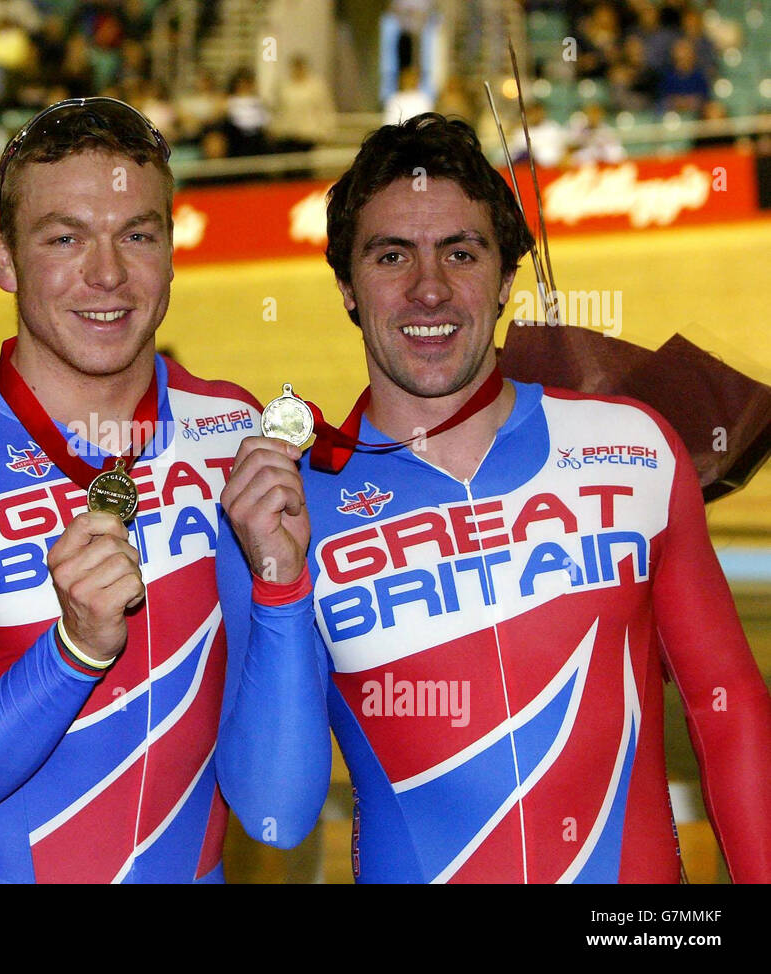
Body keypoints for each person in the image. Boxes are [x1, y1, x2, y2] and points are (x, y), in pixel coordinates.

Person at [219, 112, 771, 882]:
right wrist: (280, 586)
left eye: (461, 252)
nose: (429, 289)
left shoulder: (635, 444)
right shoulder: (285, 504)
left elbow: (731, 711)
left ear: (506, 277)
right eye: (390, 256)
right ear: (347, 286)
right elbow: (274, 814)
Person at [0, 98, 329, 883]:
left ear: (172, 251)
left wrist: (283, 588)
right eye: (66, 238)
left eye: (137, 235)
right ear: (5, 259)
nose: (108, 274)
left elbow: (275, 810)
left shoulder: (236, 434)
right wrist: (74, 651)